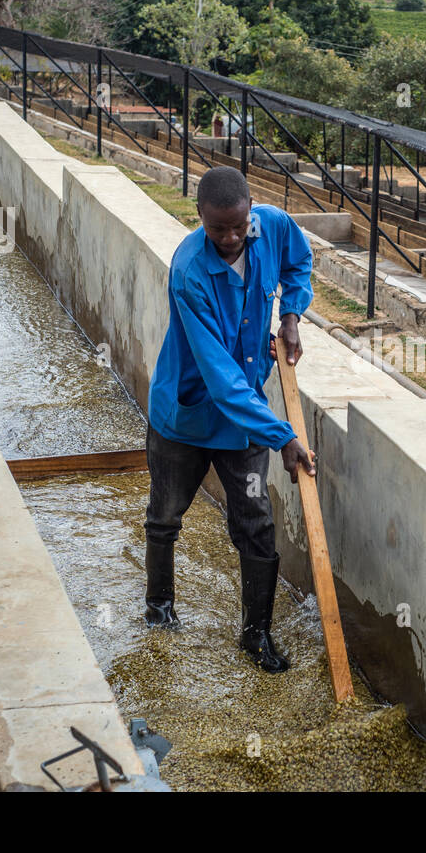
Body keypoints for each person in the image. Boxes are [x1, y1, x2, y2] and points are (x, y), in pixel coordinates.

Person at [144, 166, 316, 674]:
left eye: (238, 226)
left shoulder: (274, 226)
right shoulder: (189, 271)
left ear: (249, 213)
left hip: (243, 426)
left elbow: (299, 265)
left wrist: (290, 314)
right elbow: (220, 380)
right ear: (200, 218)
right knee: (166, 516)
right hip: (188, 416)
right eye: (218, 228)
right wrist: (282, 436)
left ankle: (256, 633)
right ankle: (159, 614)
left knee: (256, 524)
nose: (231, 237)